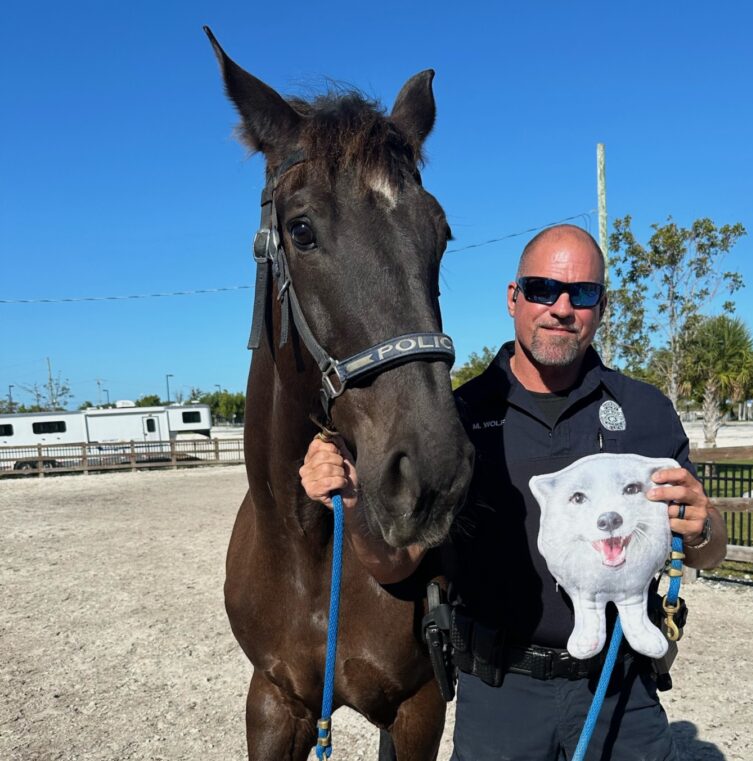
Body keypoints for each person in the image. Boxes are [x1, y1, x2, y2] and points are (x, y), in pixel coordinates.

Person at [301, 224, 727, 760]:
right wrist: (356, 504)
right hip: (500, 696)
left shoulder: (645, 412)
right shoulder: (458, 417)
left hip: (620, 692)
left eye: (583, 293)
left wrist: (704, 525)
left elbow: (710, 551)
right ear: (513, 298)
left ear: (601, 306)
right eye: (543, 289)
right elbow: (396, 564)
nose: (562, 307)